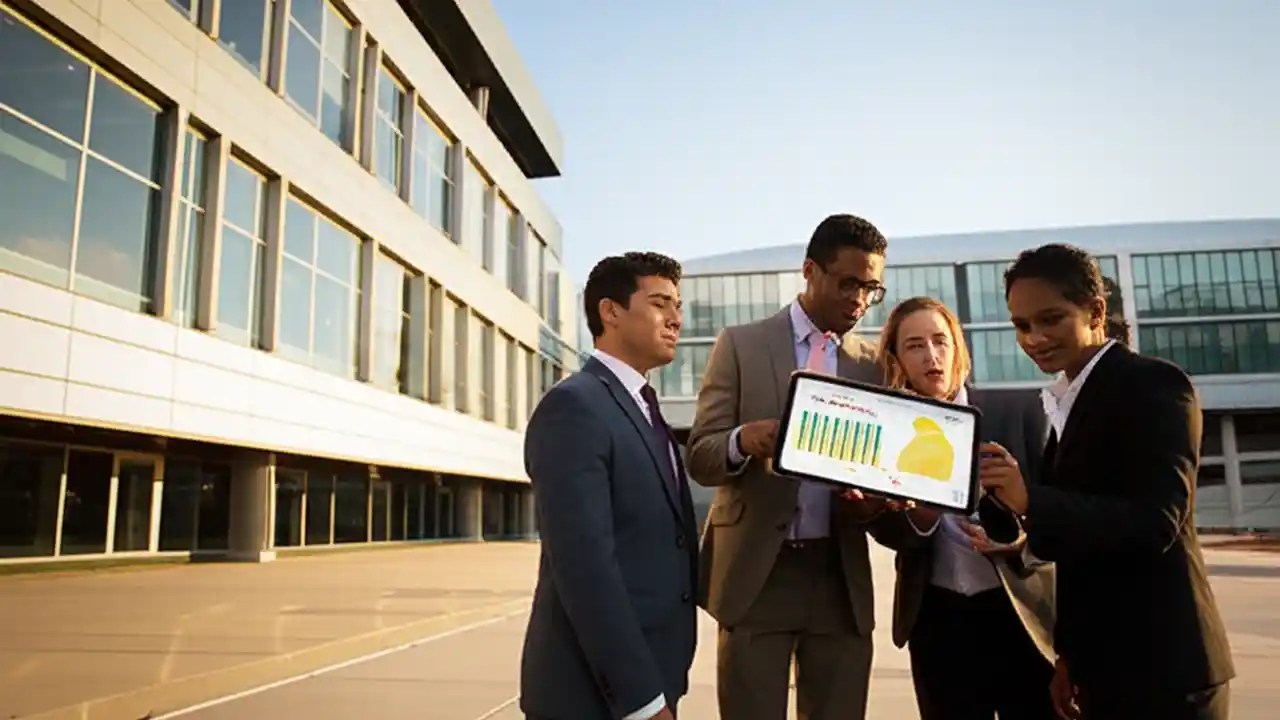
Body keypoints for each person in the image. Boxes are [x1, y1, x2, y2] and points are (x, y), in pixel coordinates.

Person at [980, 243, 1235, 719]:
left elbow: (1156, 522)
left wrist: (1032, 499)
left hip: (1166, 673)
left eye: (1050, 319)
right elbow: (1076, 548)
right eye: (1021, 325)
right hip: (1102, 671)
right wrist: (1068, 656)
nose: (1034, 338)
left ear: (1096, 310)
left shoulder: (1156, 385)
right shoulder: (1068, 399)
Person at [687, 214, 901, 720]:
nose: (860, 300)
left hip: (839, 576)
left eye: (871, 288)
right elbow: (701, 456)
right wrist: (745, 440)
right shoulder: (740, 344)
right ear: (809, 270)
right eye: (848, 283)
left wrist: (873, 502)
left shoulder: (875, 364)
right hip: (757, 574)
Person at [520, 252, 698, 720]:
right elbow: (585, 569)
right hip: (593, 697)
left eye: (678, 306)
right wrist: (642, 701)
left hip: (653, 682)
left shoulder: (643, 407)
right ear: (610, 311)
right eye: (661, 303)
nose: (676, 319)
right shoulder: (574, 408)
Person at [874, 296, 1056, 720]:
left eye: (940, 341)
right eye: (915, 346)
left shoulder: (1022, 412)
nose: (931, 356)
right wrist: (922, 514)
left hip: (1020, 616)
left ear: (958, 348)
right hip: (938, 620)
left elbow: (1061, 517)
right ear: (897, 358)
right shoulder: (890, 431)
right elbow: (886, 530)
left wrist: (1020, 537)